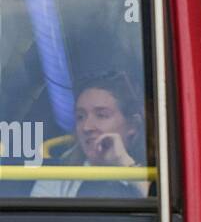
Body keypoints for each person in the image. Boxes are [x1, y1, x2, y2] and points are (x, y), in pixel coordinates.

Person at [30, 70, 150, 198]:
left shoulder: (158, 170)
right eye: (80, 117)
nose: (86, 127)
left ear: (133, 126)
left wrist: (123, 162)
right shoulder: (57, 178)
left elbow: (161, 203)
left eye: (101, 115)